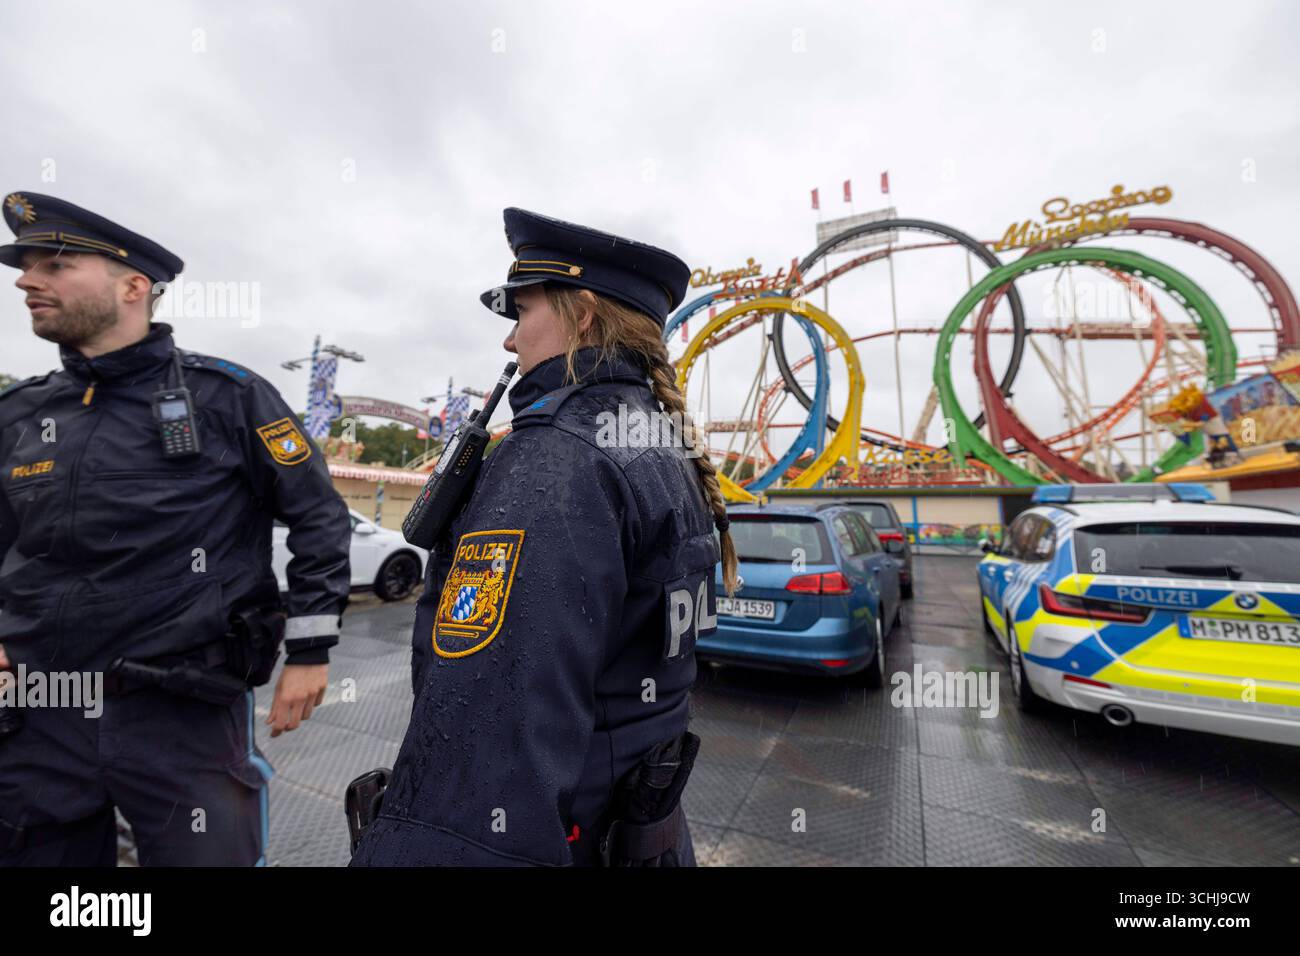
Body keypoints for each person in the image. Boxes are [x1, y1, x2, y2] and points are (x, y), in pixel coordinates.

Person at [350, 207, 738, 867]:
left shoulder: (556, 457)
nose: (509, 341)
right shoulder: (661, 444)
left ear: (582, 313)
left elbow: (490, 736)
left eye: (522, 312)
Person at [0, 192, 352, 865]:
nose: (26, 280)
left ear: (133, 286)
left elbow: (317, 514)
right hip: (40, 712)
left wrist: (310, 651)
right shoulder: (19, 412)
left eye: (55, 264)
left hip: (182, 715)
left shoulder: (228, 396)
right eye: (26, 267)